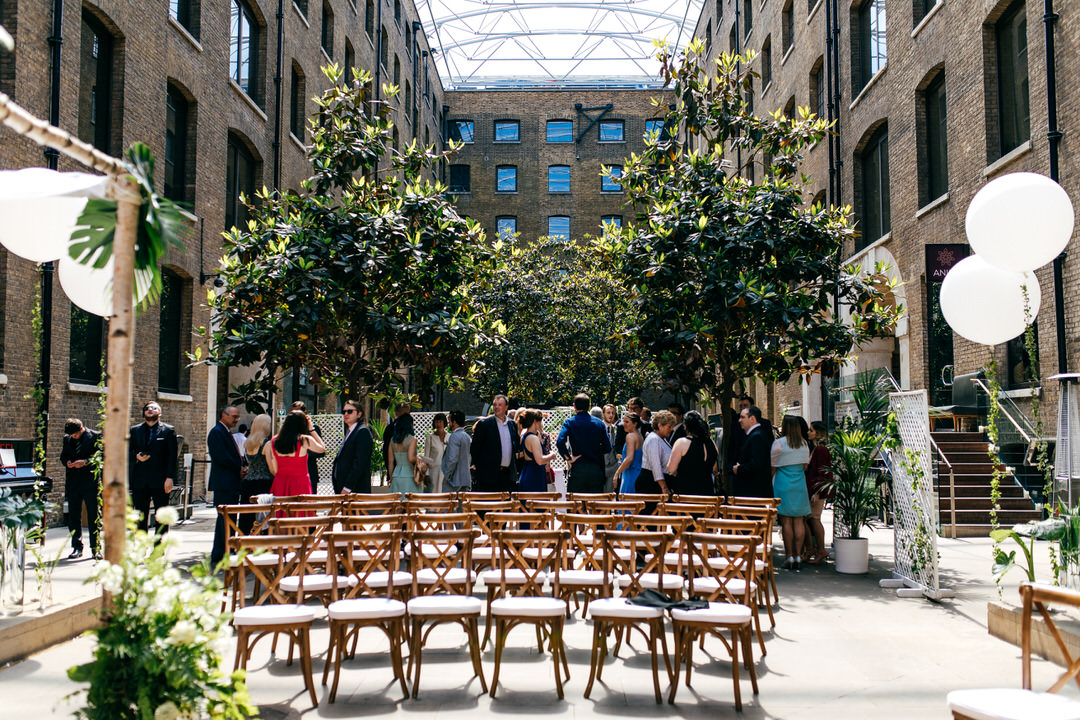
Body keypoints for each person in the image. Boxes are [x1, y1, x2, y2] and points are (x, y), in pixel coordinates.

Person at [128, 401, 178, 532]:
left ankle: (158, 548)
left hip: (160, 479)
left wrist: (170, 477)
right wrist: (136, 456)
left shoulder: (168, 431)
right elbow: (126, 451)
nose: (150, 410)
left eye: (154, 408)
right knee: (140, 515)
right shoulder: (135, 431)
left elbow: (172, 456)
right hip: (140, 480)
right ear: (143, 413)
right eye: (147, 408)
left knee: (161, 516)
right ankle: (141, 546)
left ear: (160, 413)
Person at [772, 415, 812, 571]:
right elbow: (805, 466)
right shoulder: (804, 444)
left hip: (783, 482)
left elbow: (773, 466)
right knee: (799, 521)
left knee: (786, 521)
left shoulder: (779, 444)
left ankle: (789, 555)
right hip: (799, 483)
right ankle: (798, 555)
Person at [208, 405, 245, 568]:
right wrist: (239, 468)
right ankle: (224, 552)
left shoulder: (225, 432)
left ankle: (220, 552)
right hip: (224, 482)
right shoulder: (217, 432)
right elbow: (221, 457)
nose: (236, 420)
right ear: (223, 415)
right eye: (234, 417)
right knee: (225, 518)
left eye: (237, 417)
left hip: (229, 481)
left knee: (225, 519)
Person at [265, 411, 326, 504]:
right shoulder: (304, 440)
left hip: (280, 482)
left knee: (280, 513)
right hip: (300, 483)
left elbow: (274, 469)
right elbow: (322, 449)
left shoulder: (274, 441)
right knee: (301, 513)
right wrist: (312, 430)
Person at [60, 418, 100, 560]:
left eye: (75, 435)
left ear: (81, 429)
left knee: (93, 515)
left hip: (90, 482)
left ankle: (96, 548)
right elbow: (63, 456)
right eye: (71, 436)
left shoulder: (95, 436)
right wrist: (68, 463)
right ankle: (77, 547)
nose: (73, 437)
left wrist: (86, 462)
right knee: (74, 516)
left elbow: (100, 457)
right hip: (73, 482)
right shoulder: (67, 439)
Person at [556, 393, 613, 493]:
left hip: (578, 468)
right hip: (596, 469)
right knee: (595, 505)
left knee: (575, 505)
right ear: (589, 406)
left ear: (574, 406)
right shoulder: (599, 423)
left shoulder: (570, 422)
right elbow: (608, 447)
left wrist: (568, 457)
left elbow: (560, 441)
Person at [471, 395, 520, 492]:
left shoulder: (512, 425)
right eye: (494, 405)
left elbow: (516, 446)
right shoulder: (484, 424)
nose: (496, 407)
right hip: (488, 476)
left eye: (500, 405)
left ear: (506, 407)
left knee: (506, 505)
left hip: (507, 475)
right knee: (490, 505)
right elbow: (475, 449)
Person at [667, 410, 719, 496]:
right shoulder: (712, 443)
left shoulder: (681, 443)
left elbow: (671, 469)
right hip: (707, 492)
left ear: (685, 426)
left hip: (686, 494)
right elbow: (715, 469)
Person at [240, 414, 274, 533]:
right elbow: (271, 467)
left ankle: (244, 543)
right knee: (264, 518)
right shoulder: (266, 444)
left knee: (246, 516)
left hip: (248, 482)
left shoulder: (248, 443)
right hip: (264, 483)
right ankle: (263, 543)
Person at [805, 421, 833, 564]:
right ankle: (814, 549)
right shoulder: (817, 449)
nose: (808, 432)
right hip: (814, 490)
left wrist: (817, 491)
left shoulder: (821, 450)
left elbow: (822, 472)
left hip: (817, 491)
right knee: (811, 519)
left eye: (811, 430)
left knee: (814, 518)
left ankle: (821, 550)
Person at [332, 399, 373, 494]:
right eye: (344, 411)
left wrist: (347, 487)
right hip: (344, 489)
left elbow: (359, 463)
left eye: (350, 411)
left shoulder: (362, 432)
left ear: (359, 414)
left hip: (355, 491)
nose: (346, 414)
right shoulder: (350, 432)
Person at [732, 405, 774, 498]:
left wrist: (739, 469)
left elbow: (756, 463)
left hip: (755, 492)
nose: (739, 420)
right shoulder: (756, 435)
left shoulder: (757, 436)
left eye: (743, 417)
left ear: (752, 419)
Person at [517, 409, 558, 492]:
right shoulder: (533, 438)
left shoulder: (524, 435)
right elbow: (539, 460)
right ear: (535, 421)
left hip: (527, 472)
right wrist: (552, 455)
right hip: (534, 476)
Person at [639, 409, 675, 497]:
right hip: (651, 484)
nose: (671, 429)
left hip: (656, 482)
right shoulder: (654, 439)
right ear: (660, 425)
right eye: (669, 427)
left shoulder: (661, 439)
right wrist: (664, 487)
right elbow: (656, 466)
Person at [291, 401, 324, 493]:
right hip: (292, 475)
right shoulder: (288, 431)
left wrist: (302, 453)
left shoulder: (313, 429)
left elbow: (321, 451)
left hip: (309, 472)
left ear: (304, 413)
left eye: (297, 413)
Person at [387, 413, 420, 496]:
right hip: (409, 475)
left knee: (397, 505)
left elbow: (390, 461)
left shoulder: (392, 440)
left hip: (396, 474)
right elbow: (411, 458)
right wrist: (420, 459)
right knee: (410, 505)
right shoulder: (412, 439)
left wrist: (391, 478)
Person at [612, 412, 644, 495]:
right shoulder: (639, 436)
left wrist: (617, 473)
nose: (623, 424)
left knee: (626, 503)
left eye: (627, 422)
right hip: (637, 472)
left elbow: (629, 458)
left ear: (635, 424)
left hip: (630, 473)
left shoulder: (630, 436)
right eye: (623, 421)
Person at [442, 410, 473, 491]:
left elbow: (452, 459)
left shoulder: (454, 437)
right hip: (466, 479)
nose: (448, 423)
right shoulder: (467, 437)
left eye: (449, 421)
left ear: (454, 422)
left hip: (454, 481)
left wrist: (447, 476)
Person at [383, 402, 411, 477]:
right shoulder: (390, 429)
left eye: (408, 414)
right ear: (396, 413)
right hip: (396, 470)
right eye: (405, 414)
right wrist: (390, 473)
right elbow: (386, 452)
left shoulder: (410, 430)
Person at [424, 413, 450, 494]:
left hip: (447, 472)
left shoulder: (450, 437)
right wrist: (426, 474)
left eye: (440, 421)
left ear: (444, 423)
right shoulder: (430, 438)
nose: (438, 424)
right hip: (433, 472)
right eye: (436, 422)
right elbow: (426, 457)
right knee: (434, 496)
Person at [601, 404, 620, 492]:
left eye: (613, 413)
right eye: (608, 413)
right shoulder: (599, 428)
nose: (611, 415)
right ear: (603, 414)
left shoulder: (616, 429)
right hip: (600, 466)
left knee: (609, 495)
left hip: (613, 467)